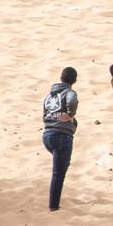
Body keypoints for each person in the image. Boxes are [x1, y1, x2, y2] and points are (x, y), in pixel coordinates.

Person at [42, 67, 79, 212]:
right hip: (62, 136)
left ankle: (54, 203)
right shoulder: (70, 92)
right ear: (74, 81)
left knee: (62, 165)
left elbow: (44, 112)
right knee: (58, 173)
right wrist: (70, 115)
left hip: (47, 135)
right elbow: (72, 100)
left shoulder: (49, 96)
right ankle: (53, 206)